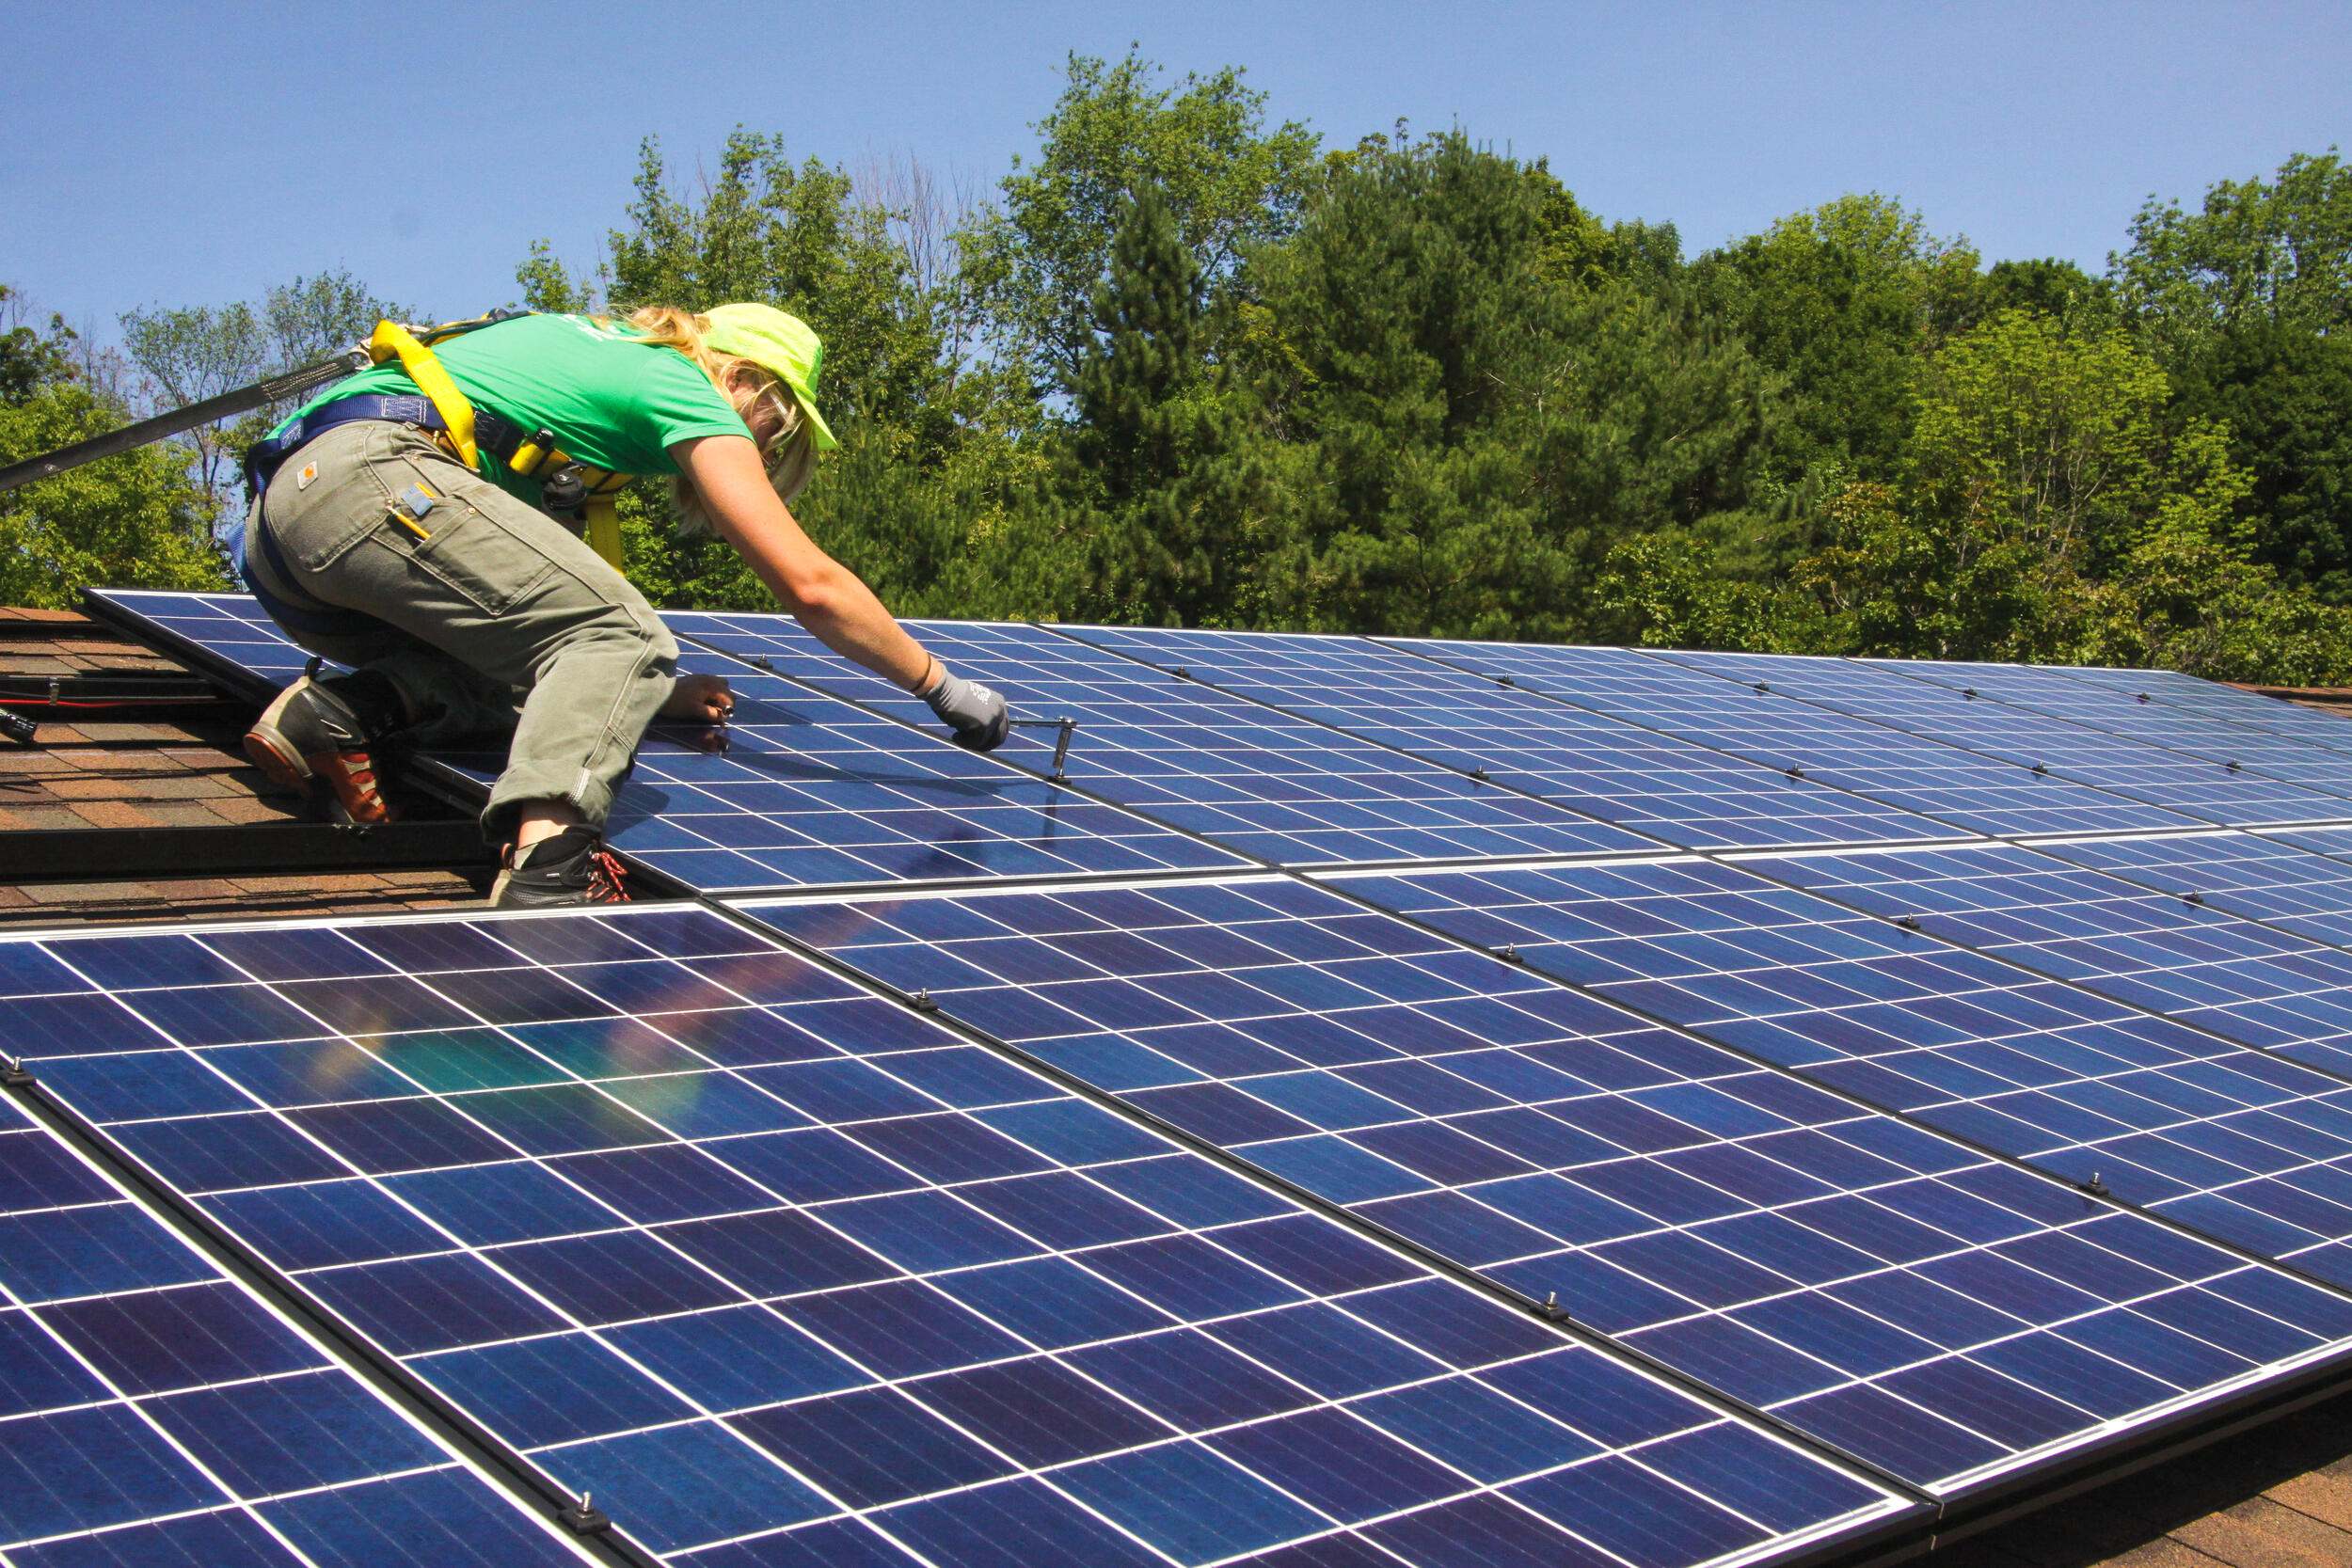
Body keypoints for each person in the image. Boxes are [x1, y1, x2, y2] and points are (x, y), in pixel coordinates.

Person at [234, 305, 1009, 907]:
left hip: (292, 541)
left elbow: (539, 617)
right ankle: (550, 871)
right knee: (627, 633)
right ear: (744, 378)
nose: (768, 452)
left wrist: (650, 692)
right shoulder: (682, 382)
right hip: (379, 482)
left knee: (551, 698)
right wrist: (943, 687)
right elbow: (811, 585)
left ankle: (342, 714)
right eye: (780, 428)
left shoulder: (590, 353)